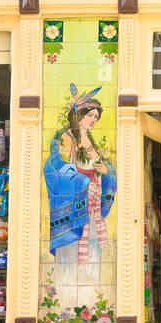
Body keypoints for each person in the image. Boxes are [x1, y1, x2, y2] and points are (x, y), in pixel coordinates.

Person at [44, 84, 116, 269]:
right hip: (77, 202)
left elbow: (99, 163)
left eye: (96, 117)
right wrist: (83, 183)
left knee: (92, 250)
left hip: (93, 201)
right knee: (73, 253)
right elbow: (54, 169)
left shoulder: (90, 138)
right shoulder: (65, 137)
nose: (93, 120)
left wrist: (106, 169)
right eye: (90, 115)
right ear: (80, 114)